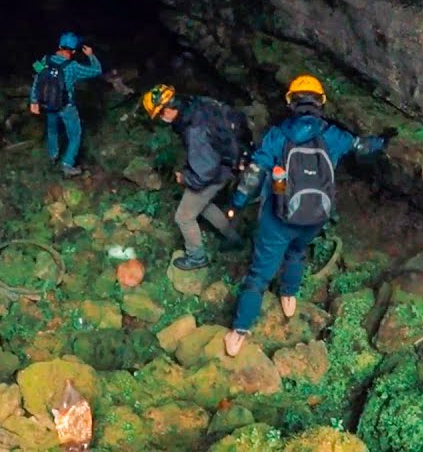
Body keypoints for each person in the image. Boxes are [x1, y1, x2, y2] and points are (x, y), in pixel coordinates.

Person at [222, 74, 389, 356]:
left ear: (291, 103)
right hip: (315, 216)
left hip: (278, 218)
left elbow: (253, 174)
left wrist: (236, 203)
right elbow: (362, 147)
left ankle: (239, 332)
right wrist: (383, 141)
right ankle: (289, 295)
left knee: (259, 277)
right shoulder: (333, 135)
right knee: (297, 252)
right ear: (320, 103)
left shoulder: (277, 136)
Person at [142, 84, 249, 270]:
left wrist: (185, 178)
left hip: (217, 172)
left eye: (159, 115)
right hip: (229, 162)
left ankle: (196, 257)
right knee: (203, 205)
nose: (161, 119)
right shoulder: (195, 105)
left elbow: (204, 172)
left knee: (184, 217)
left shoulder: (195, 129)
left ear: (167, 110)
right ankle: (234, 238)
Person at [30, 32, 103, 176]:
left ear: (59, 46)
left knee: (52, 131)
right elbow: (97, 70)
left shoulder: (45, 59)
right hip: (66, 106)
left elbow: (37, 79)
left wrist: (34, 101)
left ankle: (52, 156)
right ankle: (67, 164)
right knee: (75, 135)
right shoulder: (73, 66)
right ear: (74, 51)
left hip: (48, 104)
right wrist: (91, 55)